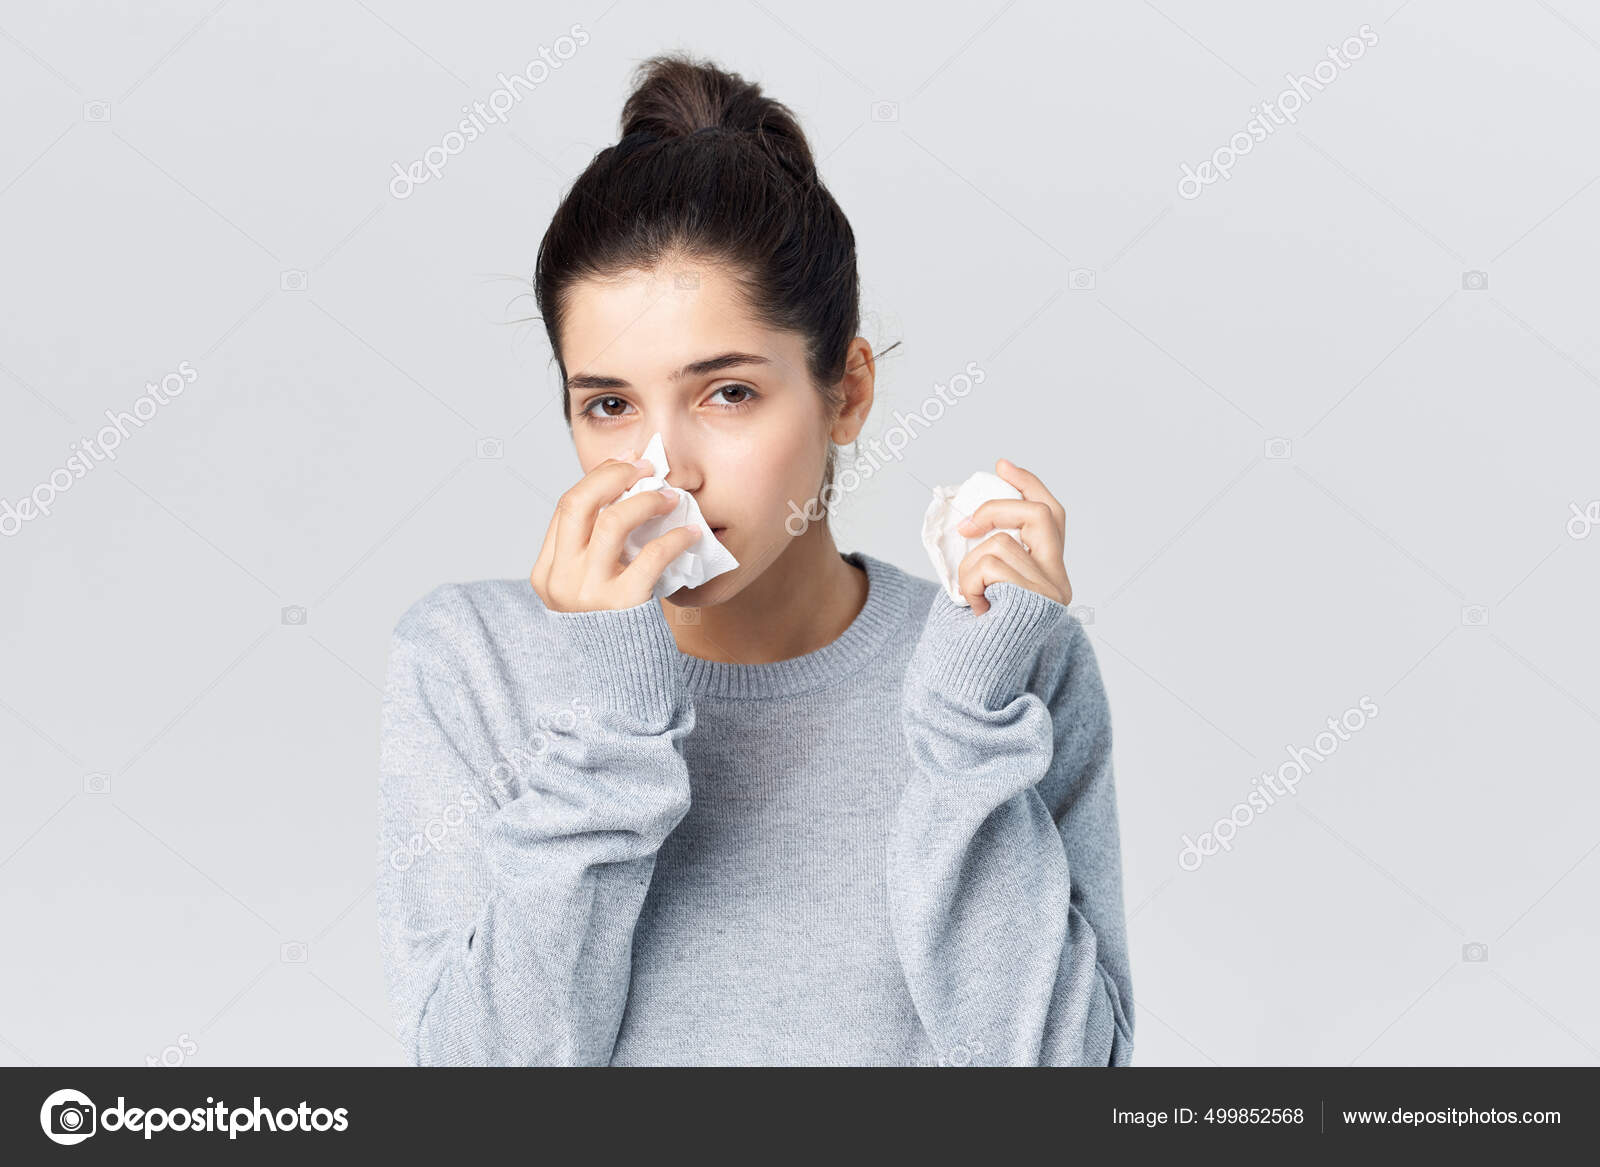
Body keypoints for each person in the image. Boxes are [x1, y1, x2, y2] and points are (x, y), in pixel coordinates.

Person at [376, 52, 1133, 1066]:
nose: (669, 469)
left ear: (847, 391)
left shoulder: (1000, 663)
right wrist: (608, 725)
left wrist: (969, 726)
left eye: (727, 393)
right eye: (610, 405)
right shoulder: (472, 660)